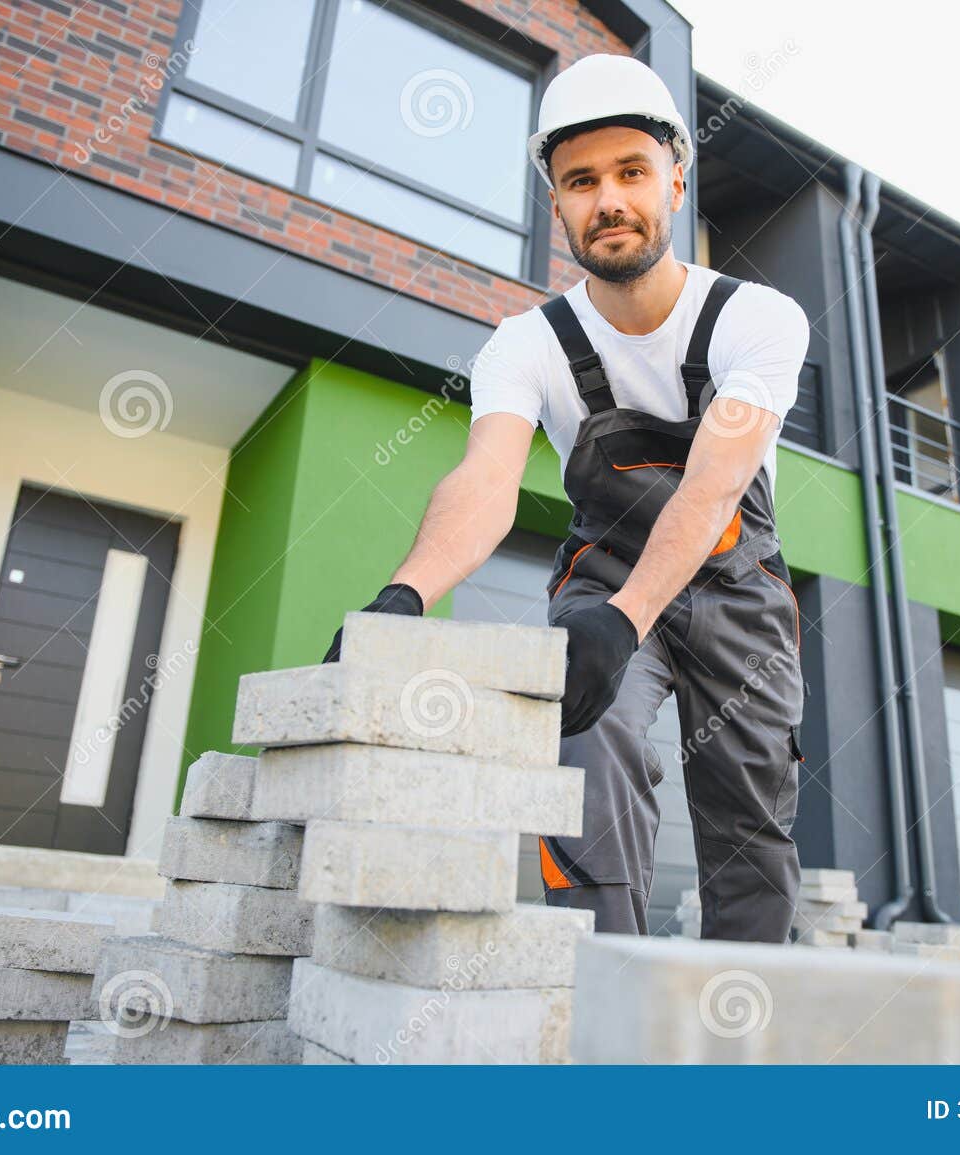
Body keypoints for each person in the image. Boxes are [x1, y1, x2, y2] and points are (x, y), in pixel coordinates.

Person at [323, 53, 810, 941]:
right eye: (582, 181)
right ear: (556, 203)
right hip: (603, 577)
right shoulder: (526, 344)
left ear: (675, 177)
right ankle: (598, 1001)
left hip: (736, 587)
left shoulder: (757, 319)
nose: (609, 200)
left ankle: (741, 1025)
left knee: (751, 809)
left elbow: (712, 486)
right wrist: (405, 595)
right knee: (584, 744)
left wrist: (630, 618)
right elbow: (485, 478)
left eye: (632, 172)